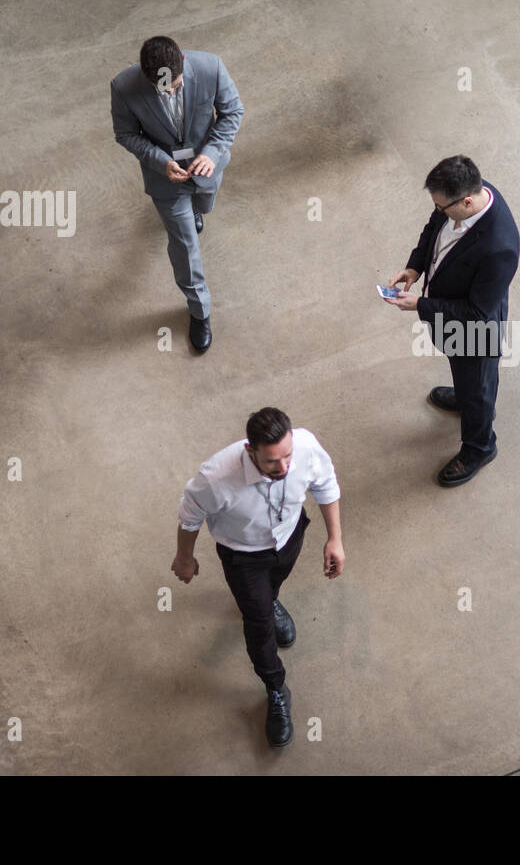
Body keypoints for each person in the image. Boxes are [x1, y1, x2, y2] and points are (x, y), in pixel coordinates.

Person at [171, 408, 345, 747]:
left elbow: (325, 484)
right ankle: (275, 686)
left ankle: (271, 597)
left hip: (290, 536)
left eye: (287, 457)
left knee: (271, 590)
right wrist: (184, 557)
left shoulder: (305, 446)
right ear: (250, 450)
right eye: (271, 463)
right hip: (243, 556)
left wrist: (334, 538)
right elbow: (189, 516)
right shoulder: (215, 477)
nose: (283, 468)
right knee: (258, 621)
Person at [386, 155, 520, 487]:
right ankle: (464, 396)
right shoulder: (463, 197)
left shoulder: (499, 247)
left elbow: (477, 313)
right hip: (450, 318)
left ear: (468, 200)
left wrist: (421, 304)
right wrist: (415, 265)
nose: (438, 211)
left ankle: (479, 447)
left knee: (479, 388)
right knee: (466, 378)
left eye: (443, 207)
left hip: (475, 331)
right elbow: (434, 228)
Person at [110, 36, 243, 352]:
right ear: (145, 75)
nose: (170, 92)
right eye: (162, 88)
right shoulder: (123, 87)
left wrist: (211, 153)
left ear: (183, 59)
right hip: (166, 180)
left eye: (175, 84)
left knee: (205, 206)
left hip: (208, 168)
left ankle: (197, 210)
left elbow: (232, 112)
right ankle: (200, 310)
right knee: (185, 245)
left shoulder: (211, 66)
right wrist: (161, 161)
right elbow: (126, 134)